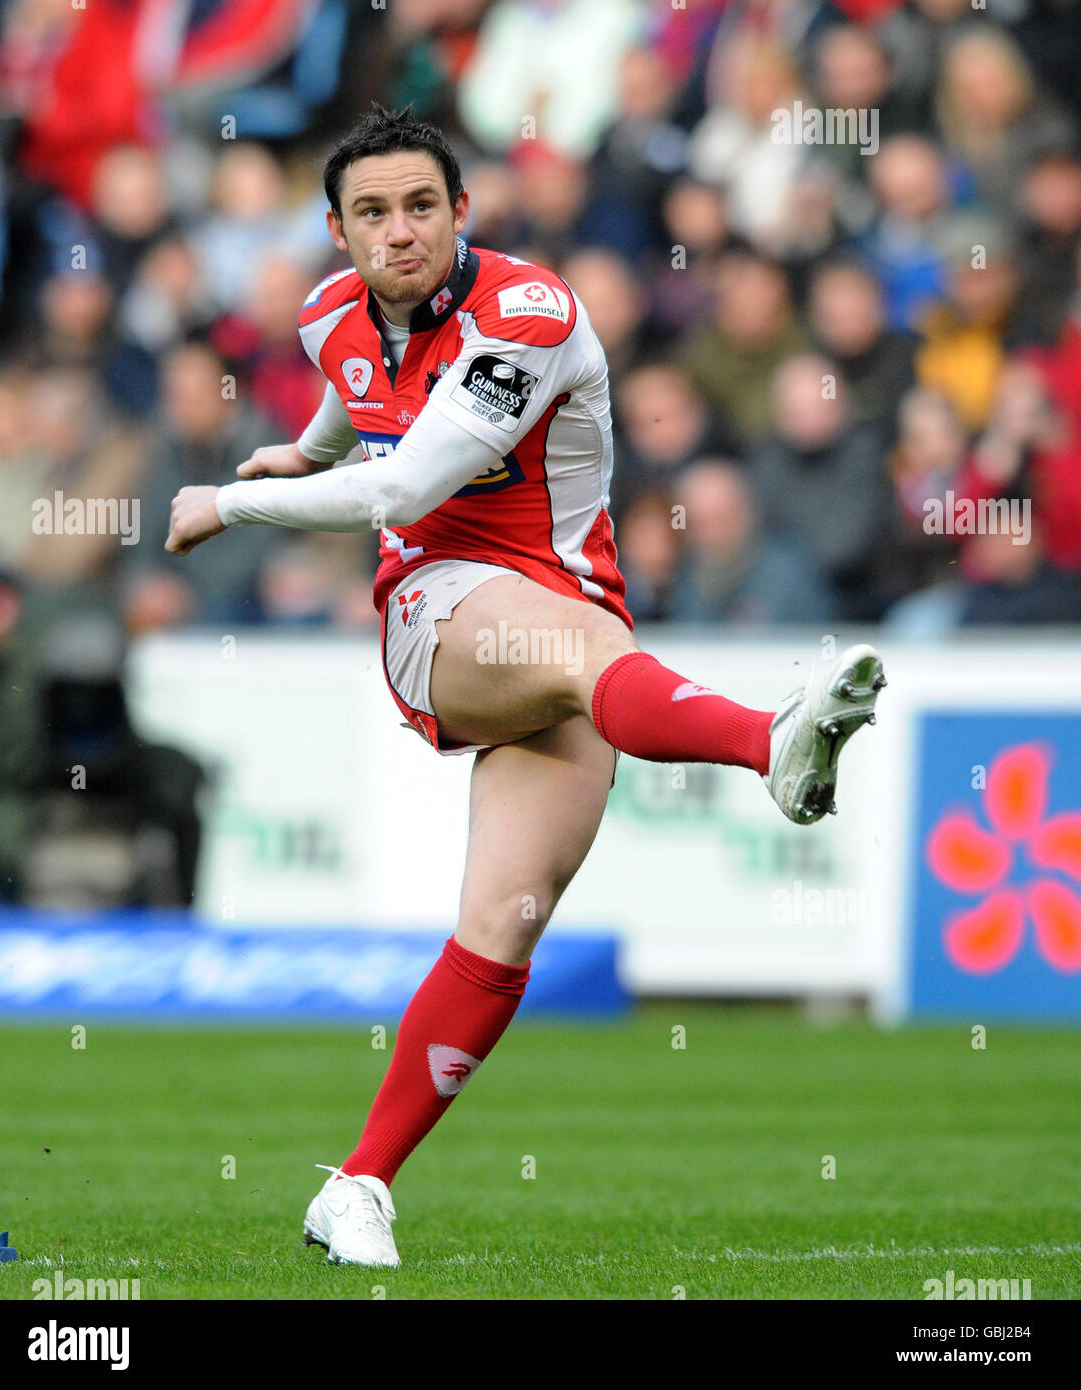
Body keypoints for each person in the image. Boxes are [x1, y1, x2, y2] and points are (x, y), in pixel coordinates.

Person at [164, 106, 885, 1269]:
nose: (399, 232)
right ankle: (772, 742)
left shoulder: (527, 315)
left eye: (419, 206)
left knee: (505, 925)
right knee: (579, 656)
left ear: (461, 211)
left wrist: (229, 500)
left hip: (572, 619)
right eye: (370, 214)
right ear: (339, 232)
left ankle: (354, 1187)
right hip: (438, 613)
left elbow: (403, 481)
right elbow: (359, 412)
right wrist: (301, 457)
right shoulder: (323, 316)